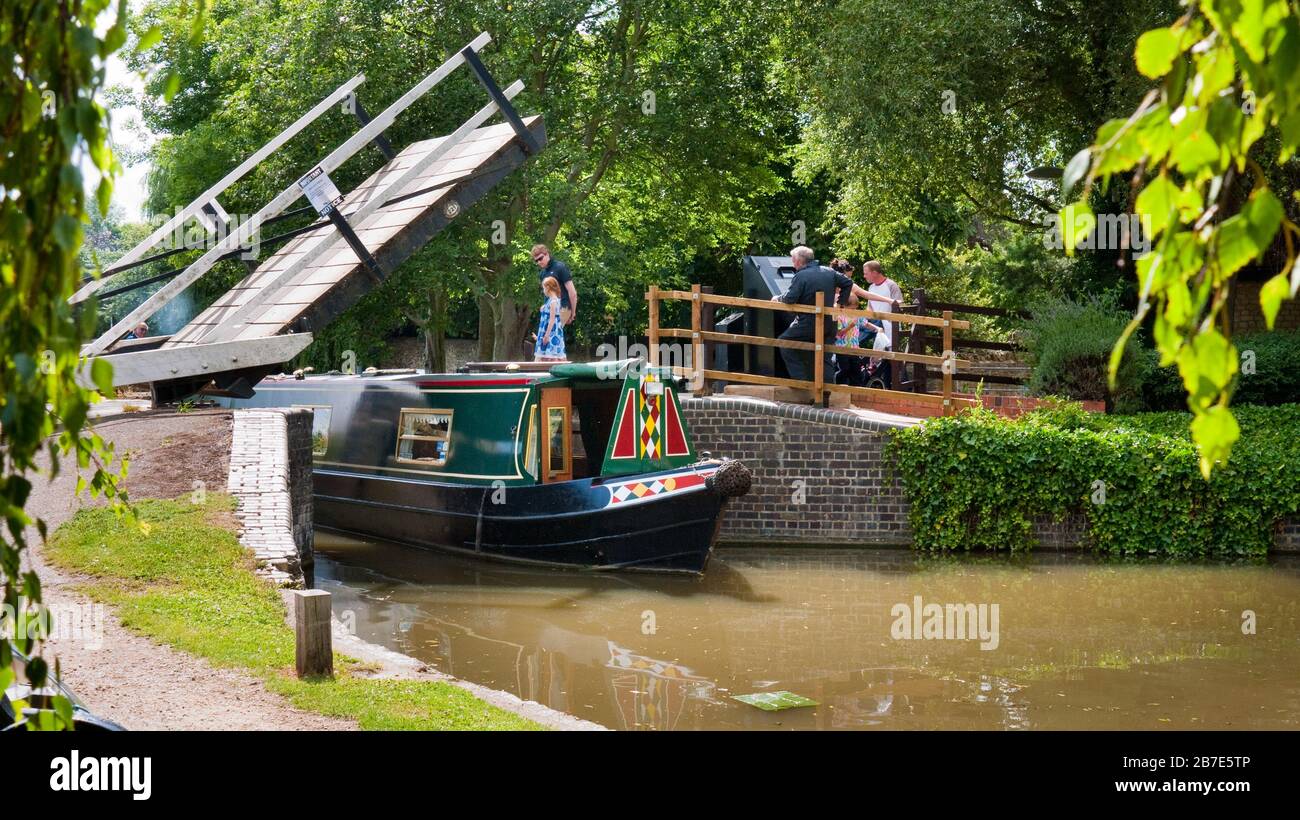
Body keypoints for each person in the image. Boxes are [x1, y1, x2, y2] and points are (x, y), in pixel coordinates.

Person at [771, 246, 856, 381]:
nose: (793, 264)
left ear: (799, 261)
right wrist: (839, 304)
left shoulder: (801, 275)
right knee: (825, 357)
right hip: (830, 323)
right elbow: (848, 283)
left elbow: (790, 298)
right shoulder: (829, 272)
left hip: (809, 323)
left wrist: (777, 298)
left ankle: (802, 383)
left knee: (784, 342)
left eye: (793, 260)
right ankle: (827, 394)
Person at [829, 259, 884, 386]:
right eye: (852, 309)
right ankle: (838, 387)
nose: (854, 311)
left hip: (854, 347)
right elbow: (838, 333)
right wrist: (850, 326)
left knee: (856, 371)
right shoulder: (840, 314)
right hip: (842, 348)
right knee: (844, 370)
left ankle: (857, 391)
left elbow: (865, 323)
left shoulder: (855, 314)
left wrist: (877, 328)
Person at [863, 260, 904, 385]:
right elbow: (869, 308)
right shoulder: (871, 288)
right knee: (884, 357)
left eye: (866, 273)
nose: (864, 276)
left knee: (892, 357)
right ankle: (886, 383)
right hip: (877, 326)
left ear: (874, 272)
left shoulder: (891, 285)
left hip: (891, 326)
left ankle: (901, 383)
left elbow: (899, 304)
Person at [531, 244, 578, 327]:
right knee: (546, 337)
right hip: (549, 310)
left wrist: (572, 313)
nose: (539, 262)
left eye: (540, 258)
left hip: (563, 309)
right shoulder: (542, 274)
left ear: (547, 254)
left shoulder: (560, 267)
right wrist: (545, 306)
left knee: (553, 337)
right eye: (536, 261)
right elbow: (548, 295)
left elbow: (572, 293)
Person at [534, 276, 567, 362]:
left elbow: (552, 320)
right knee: (543, 355)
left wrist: (546, 335)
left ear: (548, 288)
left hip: (551, 332)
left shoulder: (553, 301)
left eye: (544, 288)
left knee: (549, 355)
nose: (543, 290)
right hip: (548, 331)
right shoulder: (551, 300)